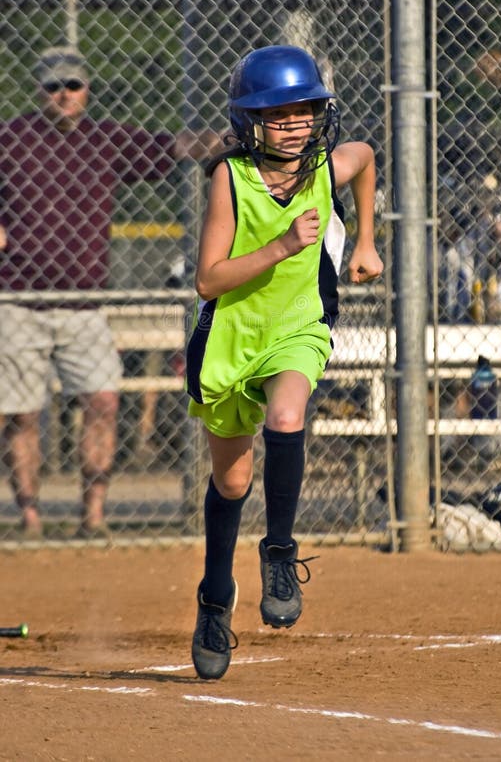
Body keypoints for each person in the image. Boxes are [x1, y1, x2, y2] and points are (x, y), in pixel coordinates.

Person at [185, 44, 383, 679]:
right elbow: (209, 281)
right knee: (232, 483)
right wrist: (280, 245)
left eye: (306, 110)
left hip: (298, 326)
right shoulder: (231, 178)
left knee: (289, 414)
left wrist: (367, 242)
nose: (296, 122)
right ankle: (216, 597)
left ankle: (279, 550)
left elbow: (368, 159)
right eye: (279, 113)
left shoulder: (328, 164)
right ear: (251, 121)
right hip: (232, 338)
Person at [0, 45, 221, 539]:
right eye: (54, 86)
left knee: (102, 401)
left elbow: (177, 146)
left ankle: (92, 516)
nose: (64, 94)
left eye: (73, 85)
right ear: (40, 90)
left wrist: (234, 138)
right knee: (22, 414)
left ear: (87, 90)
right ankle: (31, 520)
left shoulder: (105, 139)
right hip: (17, 301)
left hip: (84, 304)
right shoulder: (12, 137)